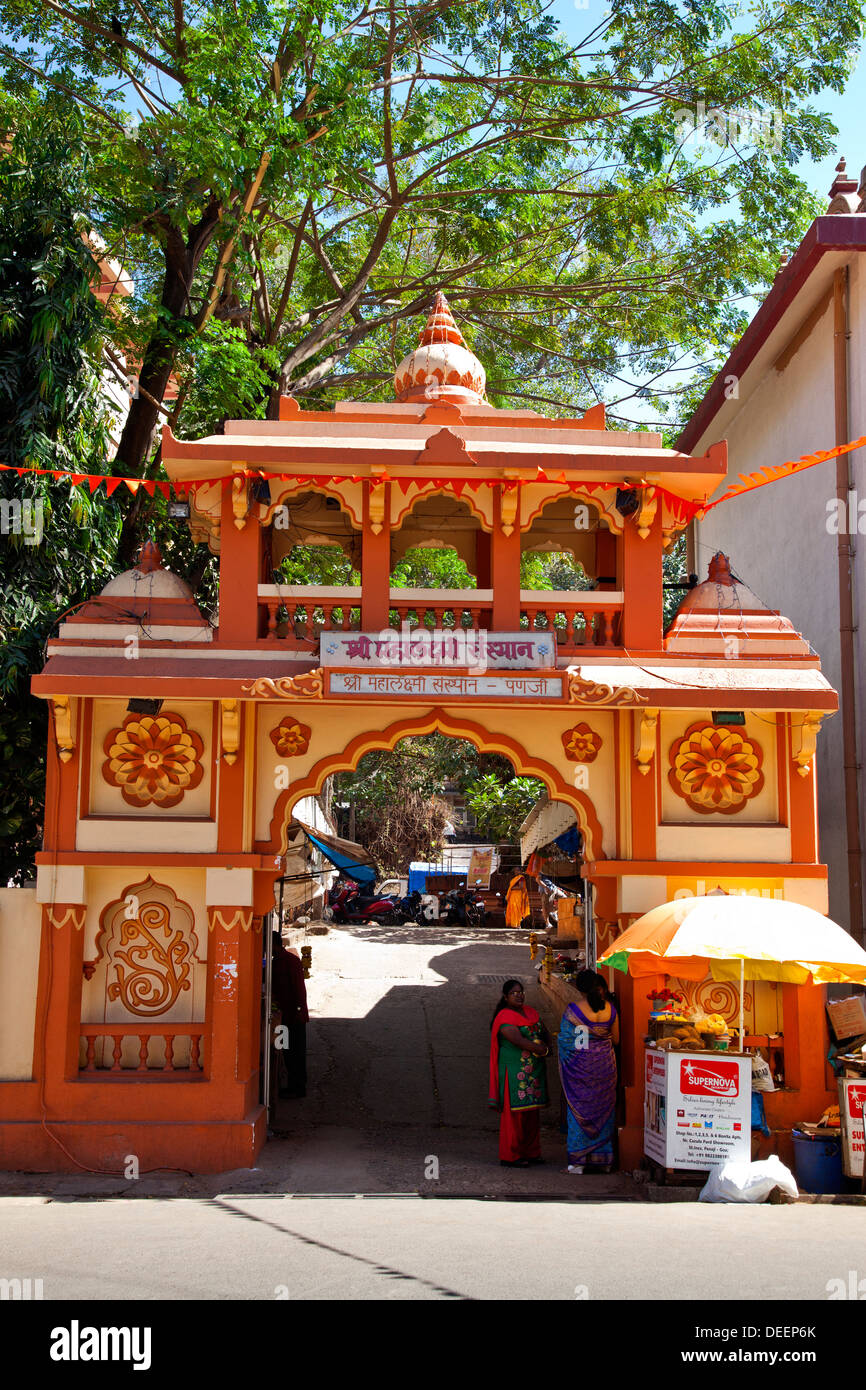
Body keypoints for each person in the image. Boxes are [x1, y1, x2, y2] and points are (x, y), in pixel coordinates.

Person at [558, 969, 619, 1174]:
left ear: (578, 988)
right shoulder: (610, 1009)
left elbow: (569, 1042)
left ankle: (578, 1162)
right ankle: (604, 1161)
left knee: (579, 1110)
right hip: (605, 1067)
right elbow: (616, 1039)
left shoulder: (574, 1011)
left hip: (580, 1069)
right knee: (605, 1110)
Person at [488, 979, 550, 1166]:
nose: (519, 995)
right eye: (514, 993)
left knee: (532, 1114)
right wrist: (541, 1050)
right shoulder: (504, 1016)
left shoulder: (531, 1012)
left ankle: (531, 1152)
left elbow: (544, 1030)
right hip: (514, 1073)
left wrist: (547, 1044)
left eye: (521, 992)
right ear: (506, 997)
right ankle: (511, 1155)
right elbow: (517, 1040)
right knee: (514, 1115)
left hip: (534, 1071)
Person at [271, 931, 309, 1099]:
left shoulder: (290, 962)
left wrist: (299, 1012)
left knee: (296, 1052)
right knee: (286, 1050)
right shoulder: (277, 962)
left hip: (293, 1016)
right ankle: (293, 1084)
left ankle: (298, 1087)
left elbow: (299, 991)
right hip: (284, 1016)